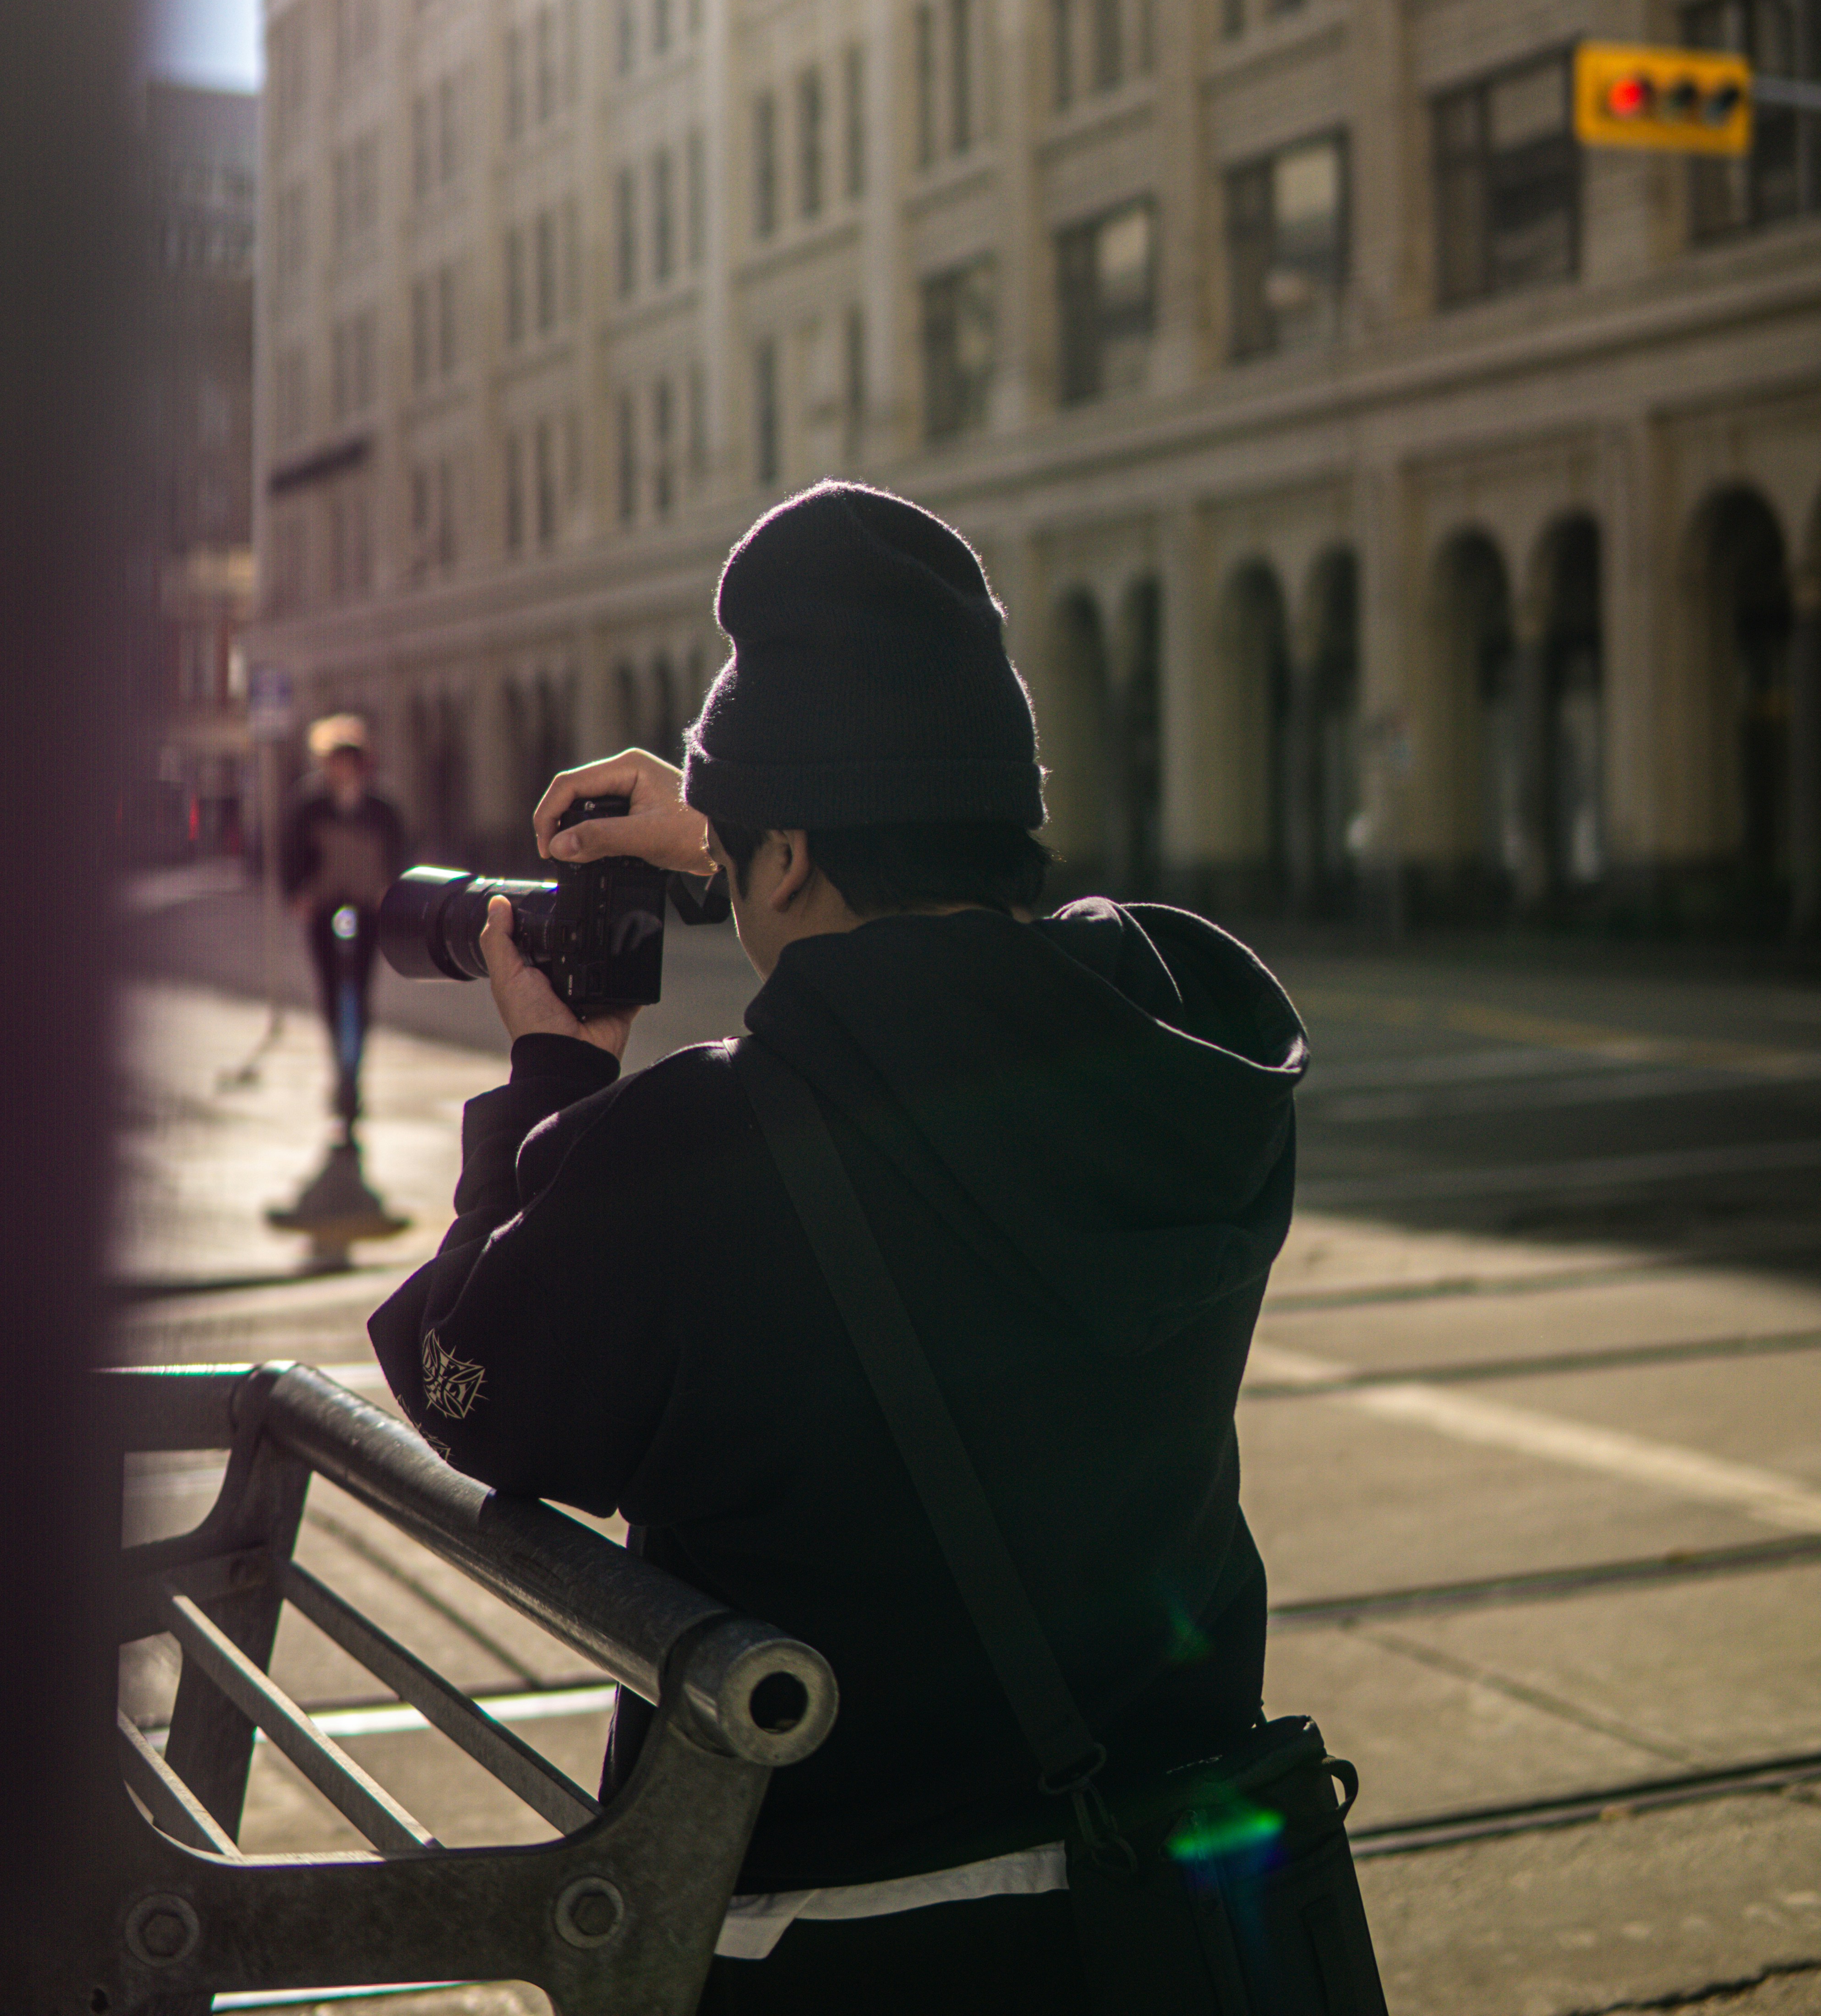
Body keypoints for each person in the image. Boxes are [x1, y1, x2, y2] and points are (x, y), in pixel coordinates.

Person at [369, 483, 1303, 2011]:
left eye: (747, 857)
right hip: (1172, 1920)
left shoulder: (693, 1149)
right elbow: (1005, 947)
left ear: (787, 859)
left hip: (839, 1945)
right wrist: (758, 815)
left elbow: (465, 1381)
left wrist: (553, 1082)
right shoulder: (1193, 1044)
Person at [272, 713, 409, 1243]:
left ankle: (354, 1077)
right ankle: (340, 1070)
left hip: (366, 912)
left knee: (361, 997)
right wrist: (298, 896)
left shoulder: (381, 807)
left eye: (350, 759)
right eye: (335, 759)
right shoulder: (308, 805)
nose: (343, 768)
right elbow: (289, 854)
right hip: (326, 910)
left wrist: (391, 892)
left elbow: (399, 852)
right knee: (332, 997)